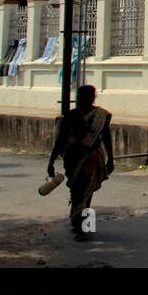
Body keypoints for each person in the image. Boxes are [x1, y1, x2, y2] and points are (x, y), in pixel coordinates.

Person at [47, 85, 114, 240]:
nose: (81, 100)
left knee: (87, 191)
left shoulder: (100, 116)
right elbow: (60, 140)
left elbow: (106, 137)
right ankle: (78, 222)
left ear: (92, 98)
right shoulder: (70, 116)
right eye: (80, 97)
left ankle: (82, 227)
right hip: (73, 158)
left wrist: (111, 158)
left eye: (86, 97)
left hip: (92, 158)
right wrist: (51, 161)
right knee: (77, 191)